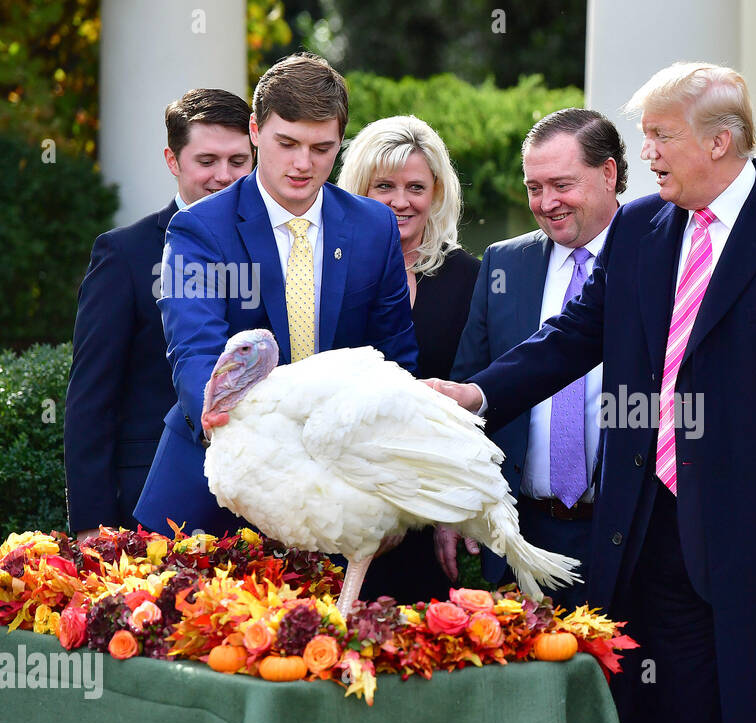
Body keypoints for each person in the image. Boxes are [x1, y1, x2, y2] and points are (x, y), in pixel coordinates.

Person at [434, 62, 756, 723]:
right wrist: (479, 393)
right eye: (645, 138)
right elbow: (572, 336)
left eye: (662, 137)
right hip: (651, 530)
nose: (649, 154)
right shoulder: (640, 228)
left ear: (723, 141)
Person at [134, 53, 418, 538]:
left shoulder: (375, 227)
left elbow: (395, 360)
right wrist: (236, 430)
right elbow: (196, 351)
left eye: (322, 148)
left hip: (340, 493)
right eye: (287, 143)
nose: (303, 164)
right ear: (255, 130)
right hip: (215, 487)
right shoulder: (197, 229)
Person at [446, 108, 625, 613]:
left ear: (608, 173)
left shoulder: (655, 257)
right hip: (521, 540)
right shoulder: (504, 263)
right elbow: (470, 388)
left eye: (562, 185)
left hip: (621, 535)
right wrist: (452, 510)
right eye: (534, 187)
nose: (547, 204)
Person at [65, 88, 253, 540]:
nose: (223, 176)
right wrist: (92, 524)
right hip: (154, 502)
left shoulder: (279, 248)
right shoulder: (124, 254)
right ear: (173, 160)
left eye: (238, 161)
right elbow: (91, 399)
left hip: (262, 501)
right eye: (206, 161)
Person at [336, 114, 480, 604]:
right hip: (338, 502)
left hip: (430, 507)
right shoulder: (325, 272)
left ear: (437, 192)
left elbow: (479, 392)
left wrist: (451, 508)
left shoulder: (471, 278)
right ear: (358, 188)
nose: (402, 201)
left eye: (416, 186)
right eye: (385, 186)